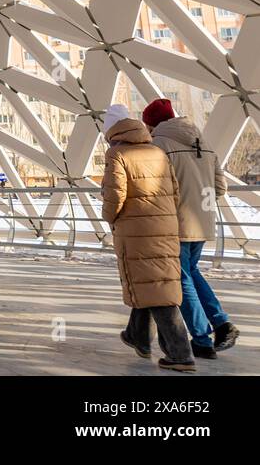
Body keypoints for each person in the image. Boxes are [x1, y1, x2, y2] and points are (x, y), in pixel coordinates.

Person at [100, 104, 195, 372]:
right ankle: (137, 336)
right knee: (153, 283)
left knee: (156, 289)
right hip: (164, 226)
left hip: (136, 230)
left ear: (111, 131)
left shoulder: (116, 154)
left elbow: (115, 195)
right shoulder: (156, 151)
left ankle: (181, 354)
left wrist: (110, 216)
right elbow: (175, 191)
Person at [144, 98, 240, 358]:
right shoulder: (203, 141)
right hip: (204, 220)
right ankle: (221, 323)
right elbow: (220, 187)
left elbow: (155, 189)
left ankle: (201, 338)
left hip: (176, 223)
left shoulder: (158, 145)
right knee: (191, 272)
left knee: (181, 279)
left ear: (152, 123)